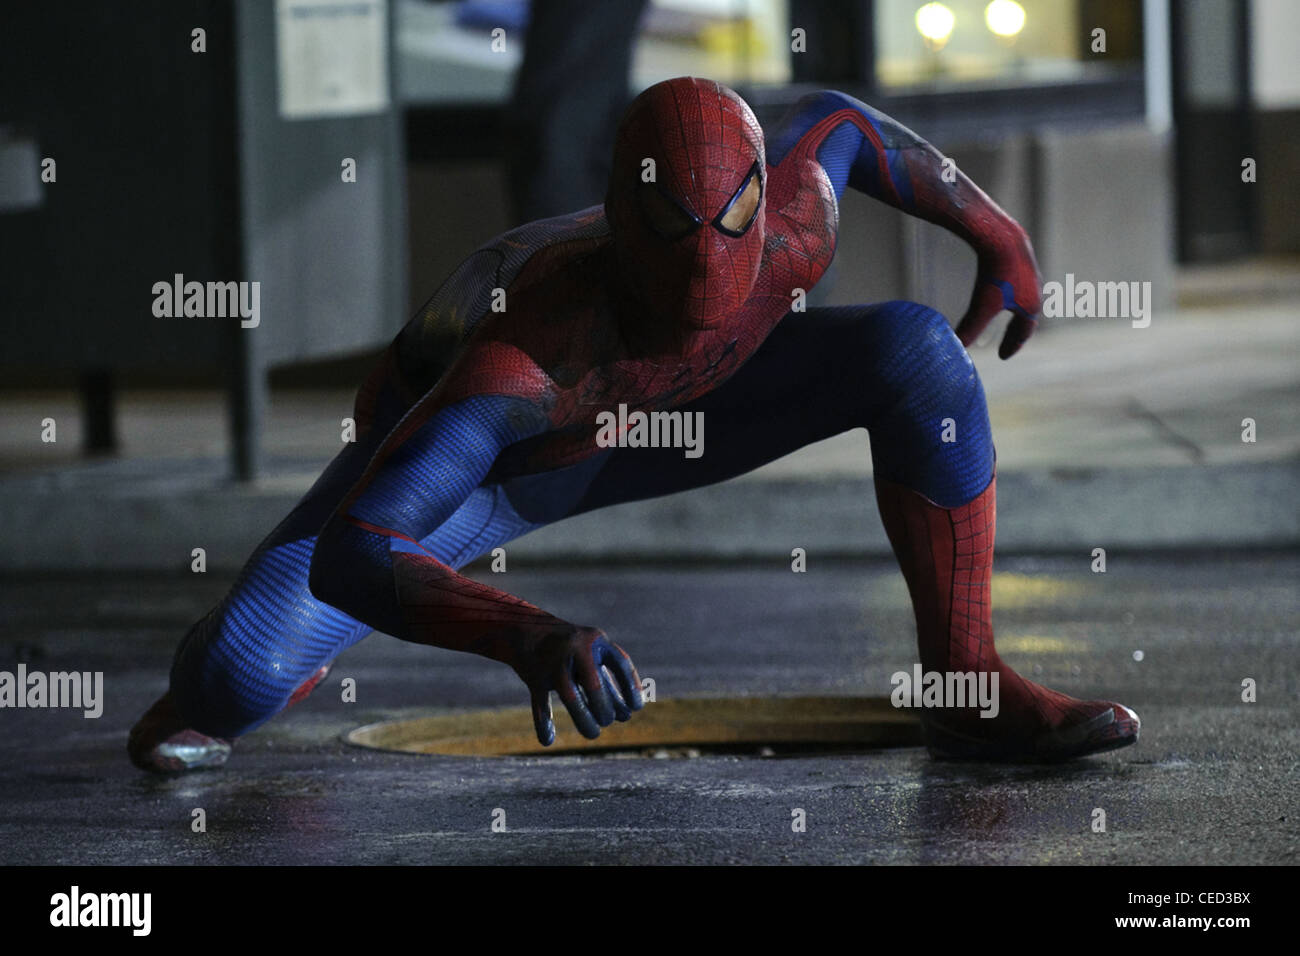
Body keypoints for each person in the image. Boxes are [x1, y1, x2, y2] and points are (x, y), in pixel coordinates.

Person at [129, 76, 1139, 772]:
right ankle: (243, 680)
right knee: (235, 673)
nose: (702, 276)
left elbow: (843, 125)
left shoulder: (795, 222)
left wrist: (992, 228)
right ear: (617, 223)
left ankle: (962, 685)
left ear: (757, 212)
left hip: (683, 410)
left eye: (724, 238)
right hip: (512, 464)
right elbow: (354, 549)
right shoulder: (519, 360)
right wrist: (524, 631)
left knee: (919, 352)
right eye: (670, 252)